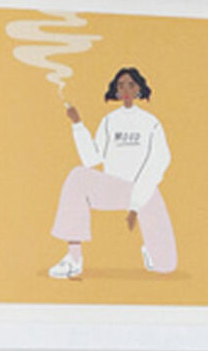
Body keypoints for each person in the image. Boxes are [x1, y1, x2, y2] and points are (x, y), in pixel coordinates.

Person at [48, 66, 178, 278]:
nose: (125, 90)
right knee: (77, 177)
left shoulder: (151, 124)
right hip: (114, 187)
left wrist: (136, 204)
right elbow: (92, 159)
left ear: (138, 89)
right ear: (116, 91)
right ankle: (73, 258)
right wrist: (77, 124)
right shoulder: (109, 121)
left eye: (131, 85)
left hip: (144, 190)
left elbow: (159, 161)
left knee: (166, 266)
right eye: (121, 85)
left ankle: (151, 249)